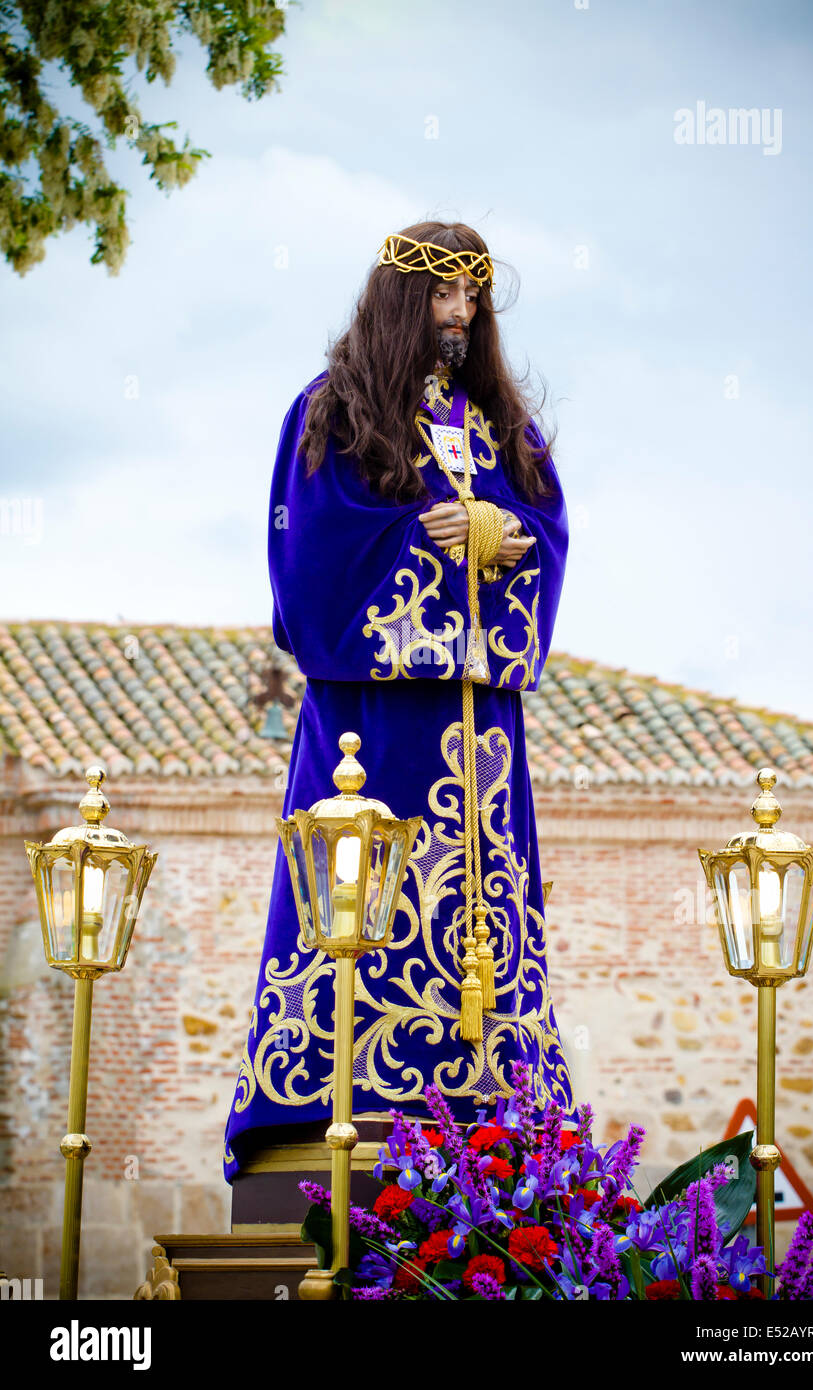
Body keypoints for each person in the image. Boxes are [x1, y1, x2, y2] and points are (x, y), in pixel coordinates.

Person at [223, 221, 575, 1183]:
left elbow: (548, 531)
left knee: (486, 919)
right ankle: (324, 1111)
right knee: (361, 921)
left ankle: (497, 1121)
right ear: (398, 300)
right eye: (443, 295)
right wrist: (437, 545)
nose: (459, 316)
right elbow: (312, 565)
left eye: (473, 297)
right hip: (365, 736)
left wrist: (505, 532)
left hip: (480, 745)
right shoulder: (330, 412)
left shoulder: (505, 424)